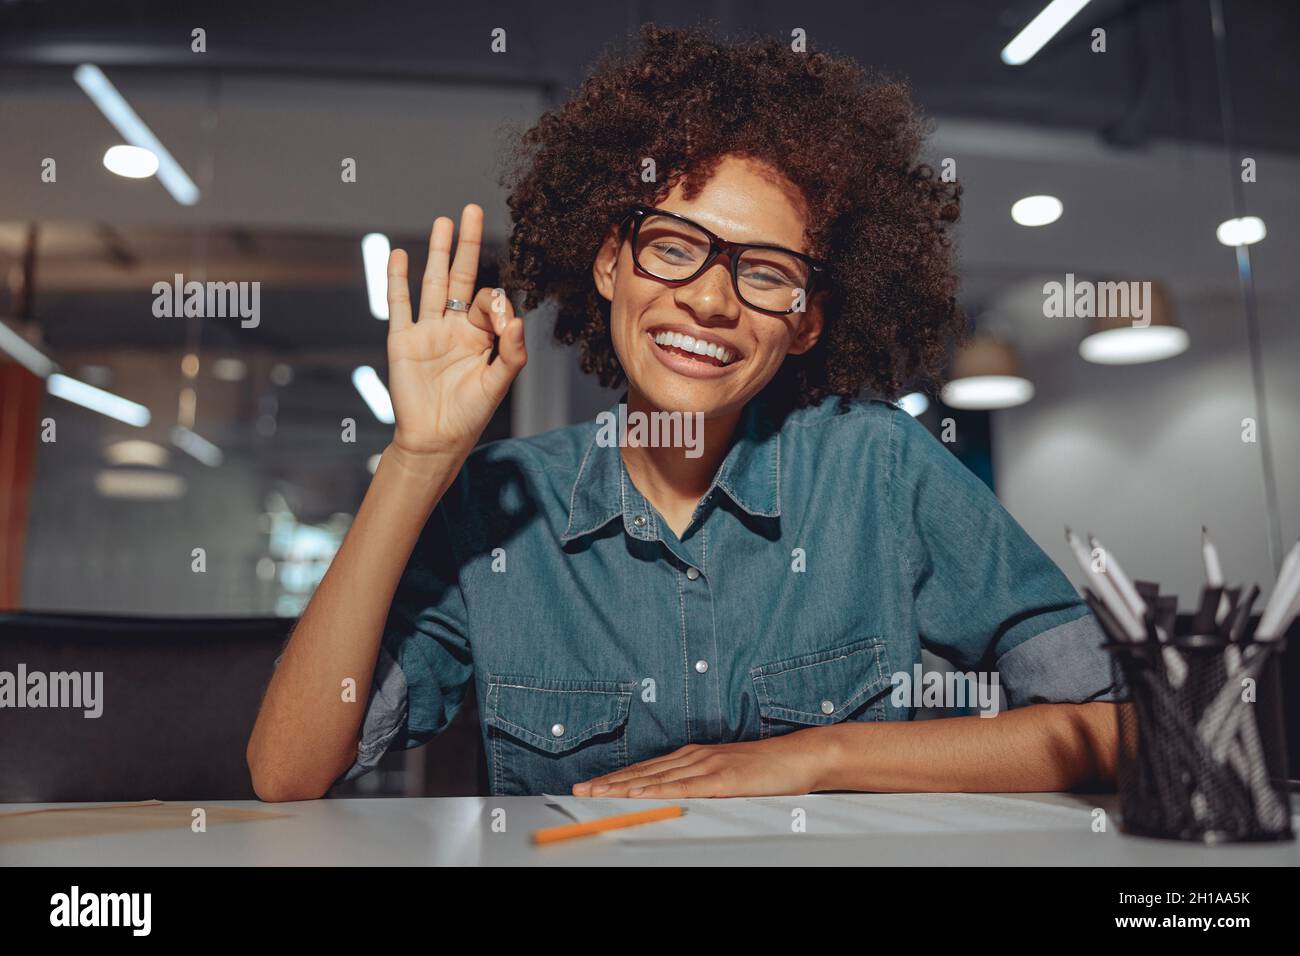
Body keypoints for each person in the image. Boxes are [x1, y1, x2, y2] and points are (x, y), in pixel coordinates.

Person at [247, 25, 1117, 801]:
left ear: (805, 320)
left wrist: (820, 756)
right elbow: (289, 773)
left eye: (766, 271)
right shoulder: (498, 501)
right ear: (608, 266)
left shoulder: (877, 467)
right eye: (672, 247)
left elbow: (1117, 726)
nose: (708, 300)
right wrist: (417, 459)